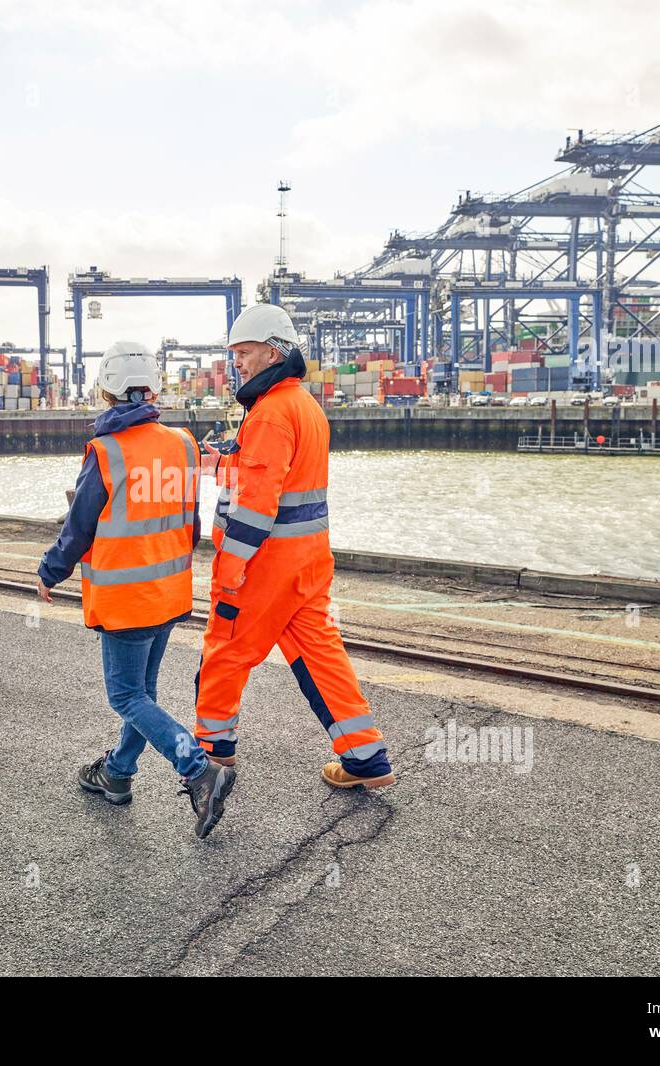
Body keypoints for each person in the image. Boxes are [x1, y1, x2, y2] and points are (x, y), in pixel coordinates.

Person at [37, 341, 236, 839]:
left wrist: (48, 571)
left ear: (105, 390)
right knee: (142, 693)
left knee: (126, 695)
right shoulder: (184, 444)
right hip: (169, 593)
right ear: (155, 387)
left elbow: (79, 528)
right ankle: (118, 774)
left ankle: (197, 770)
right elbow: (190, 525)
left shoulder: (105, 453)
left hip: (126, 600)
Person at [195, 305, 395, 789]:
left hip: (264, 568)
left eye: (243, 353)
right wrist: (216, 464)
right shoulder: (305, 407)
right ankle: (365, 757)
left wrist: (231, 567)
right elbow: (278, 480)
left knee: (225, 651)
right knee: (319, 652)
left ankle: (211, 760)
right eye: (233, 354)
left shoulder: (269, 414)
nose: (236, 363)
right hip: (308, 563)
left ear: (273, 351)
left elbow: (258, 506)